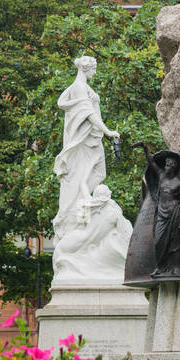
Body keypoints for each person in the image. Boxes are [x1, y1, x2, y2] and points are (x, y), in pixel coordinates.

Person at [53, 56, 119, 237]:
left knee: (97, 173)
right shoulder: (80, 88)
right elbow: (89, 114)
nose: (95, 72)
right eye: (94, 69)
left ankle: (83, 205)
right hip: (84, 141)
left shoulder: (81, 87)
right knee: (88, 174)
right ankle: (79, 210)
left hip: (90, 140)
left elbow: (63, 103)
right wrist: (108, 131)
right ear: (85, 69)